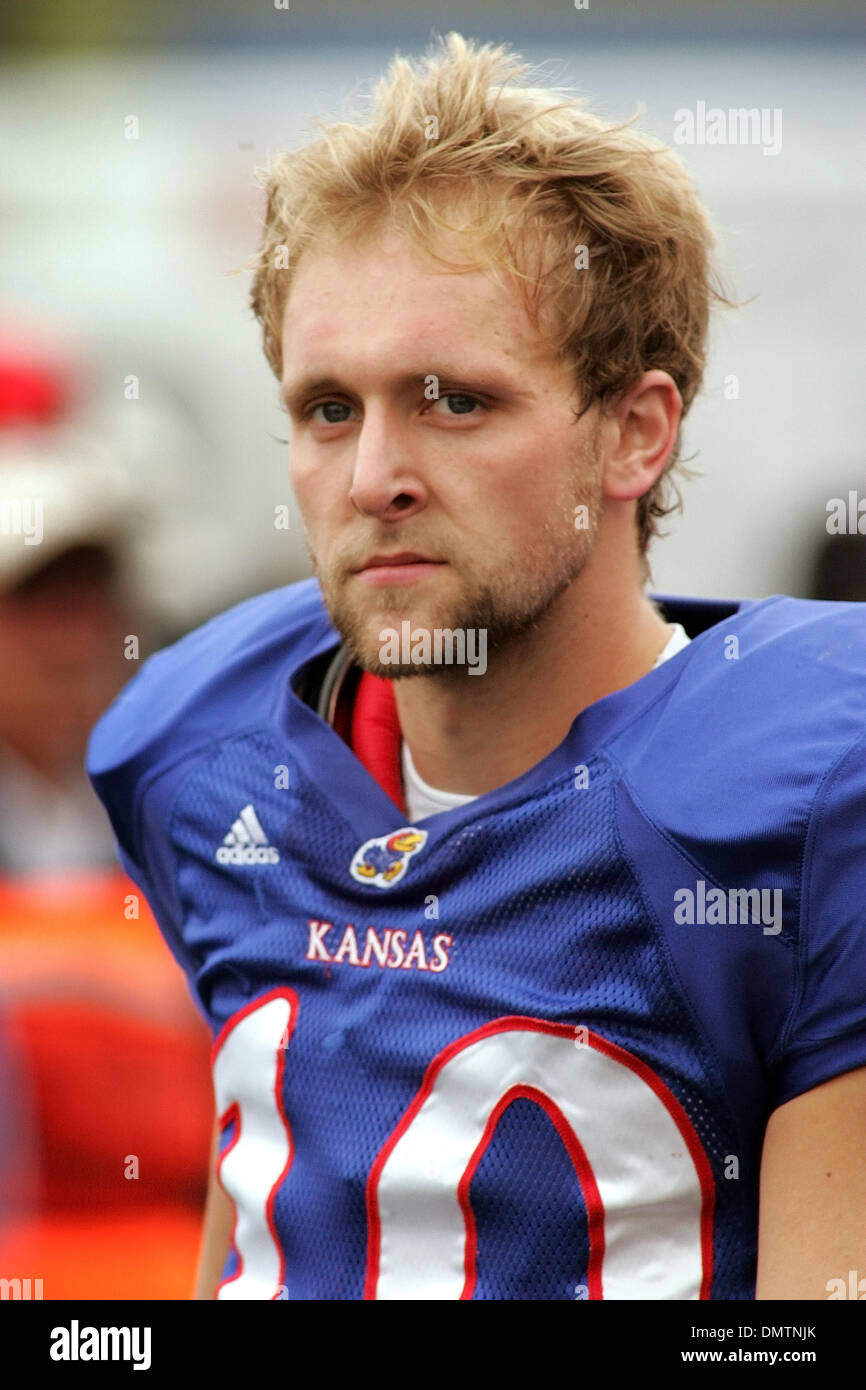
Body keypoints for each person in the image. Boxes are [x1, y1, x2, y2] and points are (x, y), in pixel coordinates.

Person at [87, 33, 866, 1301]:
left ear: (632, 431)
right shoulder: (199, 748)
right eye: (327, 407)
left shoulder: (804, 796)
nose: (372, 477)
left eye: (453, 399)